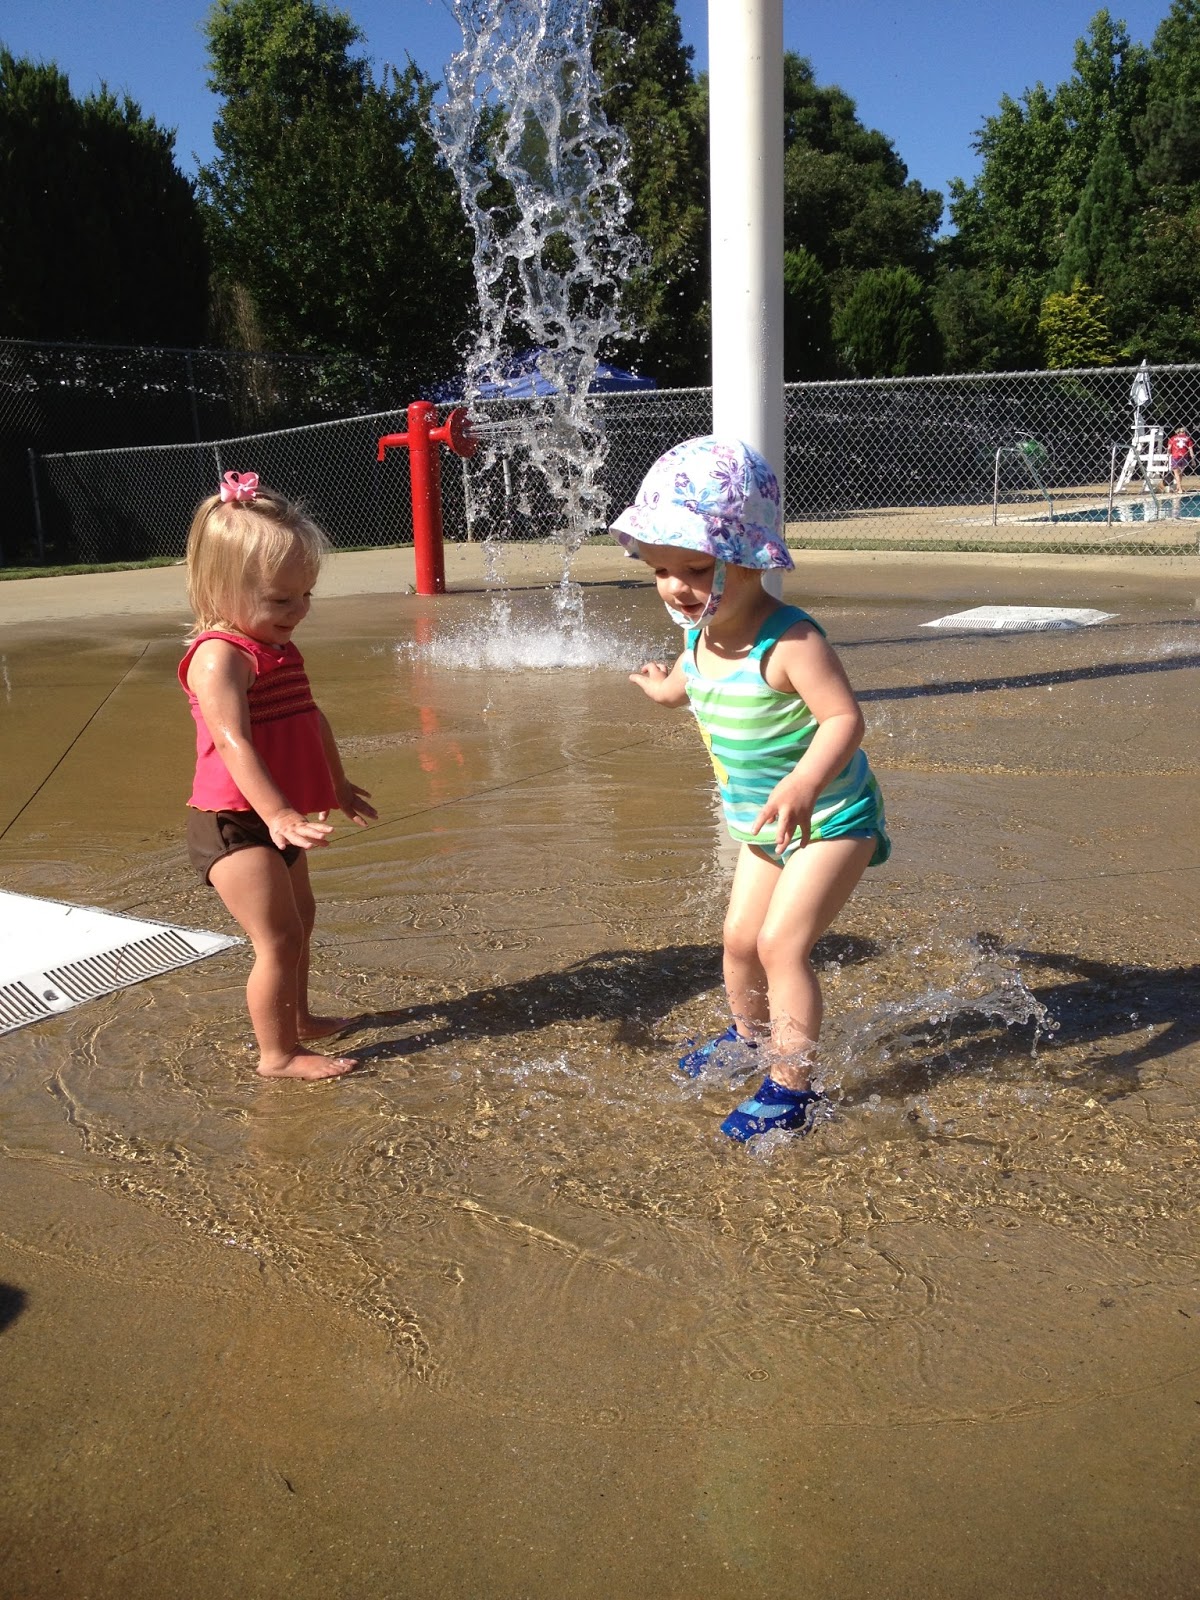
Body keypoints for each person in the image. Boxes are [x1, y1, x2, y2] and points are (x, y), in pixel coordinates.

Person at [619, 437, 889, 1142]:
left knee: (779, 946)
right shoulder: (699, 634)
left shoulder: (789, 641)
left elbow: (843, 718)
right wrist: (663, 691)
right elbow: (693, 683)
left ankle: (792, 1086)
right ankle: (748, 1037)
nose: (677, 586)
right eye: (661, 570)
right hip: (762, 824)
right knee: (737, 941)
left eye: (697, 568)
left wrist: (804, 782)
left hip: (831, 817)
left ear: (748, 557)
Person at [180, 470, 377, 1081]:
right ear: (221, 587)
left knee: (302, 920)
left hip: (280, 817)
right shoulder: (220, 656)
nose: (299, 611)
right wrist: (277, 814)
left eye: (306, 595)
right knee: (277, 939)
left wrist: (336, 785)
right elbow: (232, 740)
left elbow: (310, 719)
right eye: (280, 600)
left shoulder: (278, 648)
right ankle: (277, 1055)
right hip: (234, 822)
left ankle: (300, 1017)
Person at [1167, 425, 1195, 493]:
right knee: (1180, 473)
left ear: (1177, 432)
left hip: (1175, 456)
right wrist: (1193, 460)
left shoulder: (1172, 438)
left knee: (1176, 473)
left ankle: (1180, 489)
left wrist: (1168, 455)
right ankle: (1178, 487)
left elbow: (1169, 448)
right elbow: (1190, 449)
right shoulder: (1187, 438)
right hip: (1184, 457)